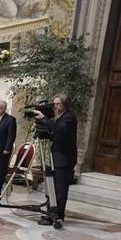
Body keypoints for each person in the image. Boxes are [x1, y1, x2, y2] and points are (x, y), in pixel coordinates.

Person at [33, 93, 78, 227]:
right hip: (58, 157)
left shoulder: (69, 118)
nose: (56, 106)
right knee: (54, 187)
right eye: (55, 104)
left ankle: (56, 216)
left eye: (58, 104)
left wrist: (44, 118)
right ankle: (52, 213)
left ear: (65, 104)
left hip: (64, 159)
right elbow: (56, 134)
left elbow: (59, 130)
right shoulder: (62, 117)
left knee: (60, 189)